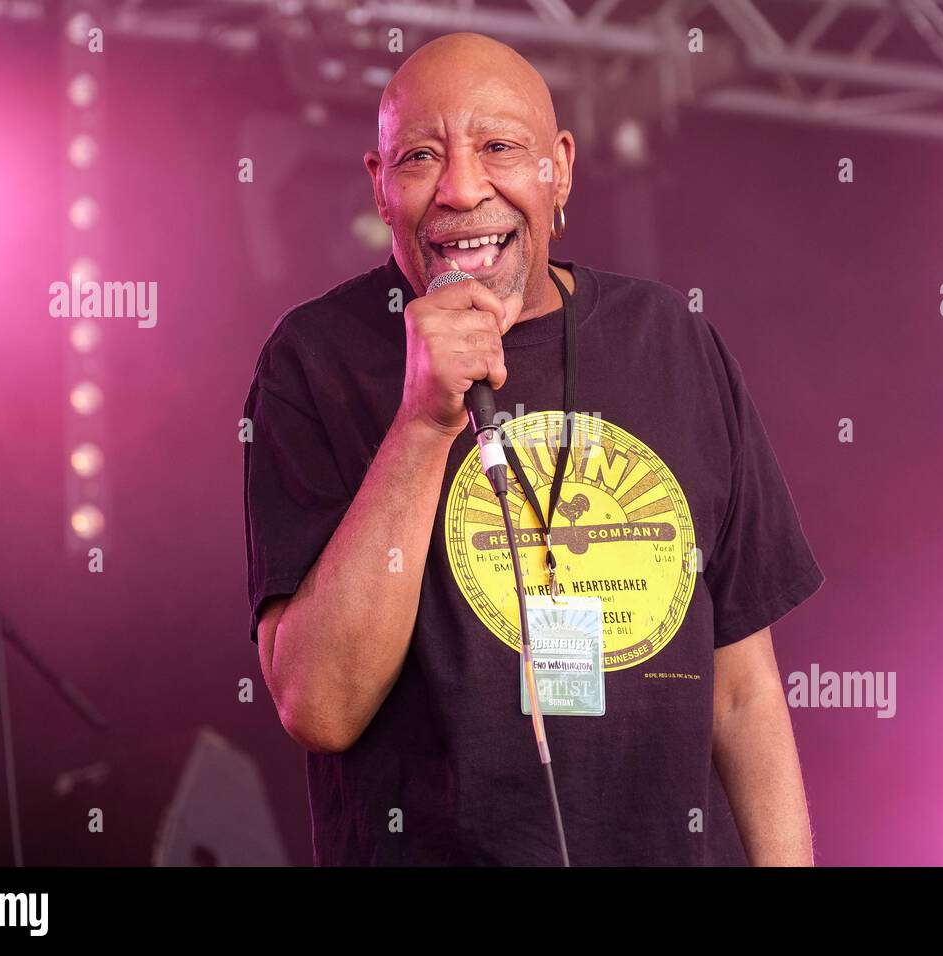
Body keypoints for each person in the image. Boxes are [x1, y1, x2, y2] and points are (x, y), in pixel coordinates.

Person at [242, 31, 824, 866]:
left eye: (500, 148)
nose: (462, 189)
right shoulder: (312, 360)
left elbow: (742, 695)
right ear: (380, 187)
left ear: (561, 168)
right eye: (418, 157)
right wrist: (422, 422)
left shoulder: (673, 342)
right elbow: (320, 705)